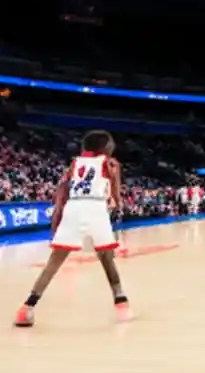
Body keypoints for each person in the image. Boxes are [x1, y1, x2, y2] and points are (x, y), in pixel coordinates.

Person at [13, 131, 131, 327]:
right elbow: (116, 191)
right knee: (106, 257)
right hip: (95, 207)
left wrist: (58, 215)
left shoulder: (75, 163)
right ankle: (121, 302)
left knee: (55, 261)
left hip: (73, 207)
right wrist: (118, 204)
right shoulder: (110, 163)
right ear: (106, 148)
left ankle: (27, 308)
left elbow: (63, 189)